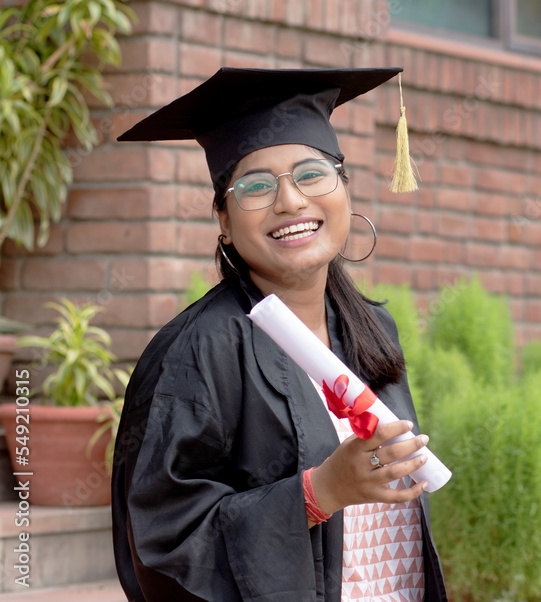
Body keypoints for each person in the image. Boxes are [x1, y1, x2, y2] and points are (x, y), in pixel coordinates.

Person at [111, 67, 447, 601]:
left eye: (312, 174)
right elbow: (165, 543)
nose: (290, 201)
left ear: (344, 189)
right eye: (256, 186)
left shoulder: (370, 328)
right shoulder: (197, 351)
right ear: (224, 219)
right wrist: (320, 491)